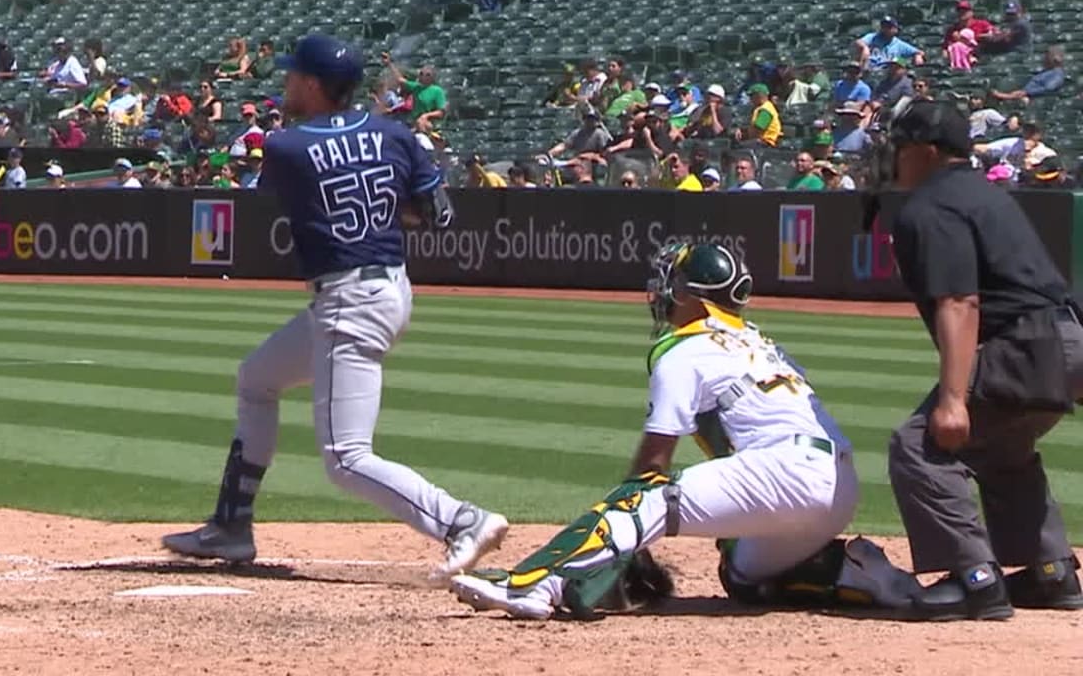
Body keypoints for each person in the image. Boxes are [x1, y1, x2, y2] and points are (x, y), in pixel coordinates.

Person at [162, 34, 508, 583]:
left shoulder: (286, 147)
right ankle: (231, 525)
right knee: (257, 378)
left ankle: (463, 520)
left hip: (349, 298)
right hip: (389, 288)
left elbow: (285, 177)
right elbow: (438, 215)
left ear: (315, 84)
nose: (286, 83)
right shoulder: (397, 135)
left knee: (346, 457)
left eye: (294, 76)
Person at [450, 243, 899, 620]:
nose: (666, 292)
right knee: (742, 573)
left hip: (787, 473)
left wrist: (628, 535)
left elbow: (653, 464)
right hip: (838, 488)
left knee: (651, 496)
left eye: (676, 284)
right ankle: (859, 569)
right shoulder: (758, 342)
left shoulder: (685, 348)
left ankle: (536, 584)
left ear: (696, 298)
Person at [882, 101, 1083, 620]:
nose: (894, 160)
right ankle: (1051, 571)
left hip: (1025, 345)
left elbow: (959, 300)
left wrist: (952, 399)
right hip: (1067, 337)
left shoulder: (928, 206)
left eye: (901, 149)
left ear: (926, 153)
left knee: (919, 447)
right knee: (1001, 448)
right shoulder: (986, 194)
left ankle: (974, 580)